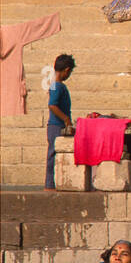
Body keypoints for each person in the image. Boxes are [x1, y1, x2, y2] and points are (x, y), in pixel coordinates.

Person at [45, 52, 74, 191]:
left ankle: (54, 184)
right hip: (56, 126)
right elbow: (52, 105)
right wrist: (66, 119)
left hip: (57, 125)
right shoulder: (57, 86)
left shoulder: (56, 86)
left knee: (55, 155)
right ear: (66, 70)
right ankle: (49, 185)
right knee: (52, 155)